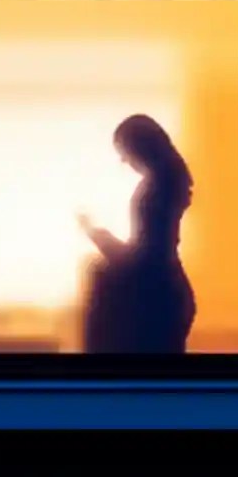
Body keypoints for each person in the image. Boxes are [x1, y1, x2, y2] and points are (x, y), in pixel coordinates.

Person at [78, 114, 196, 353]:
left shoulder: (156, 192)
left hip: (152, 300)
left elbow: (142, 259)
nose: (122, 160)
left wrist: (96, 234)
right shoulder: (165, 186)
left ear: (140, 147)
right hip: (162, 294)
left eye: (123, 151)